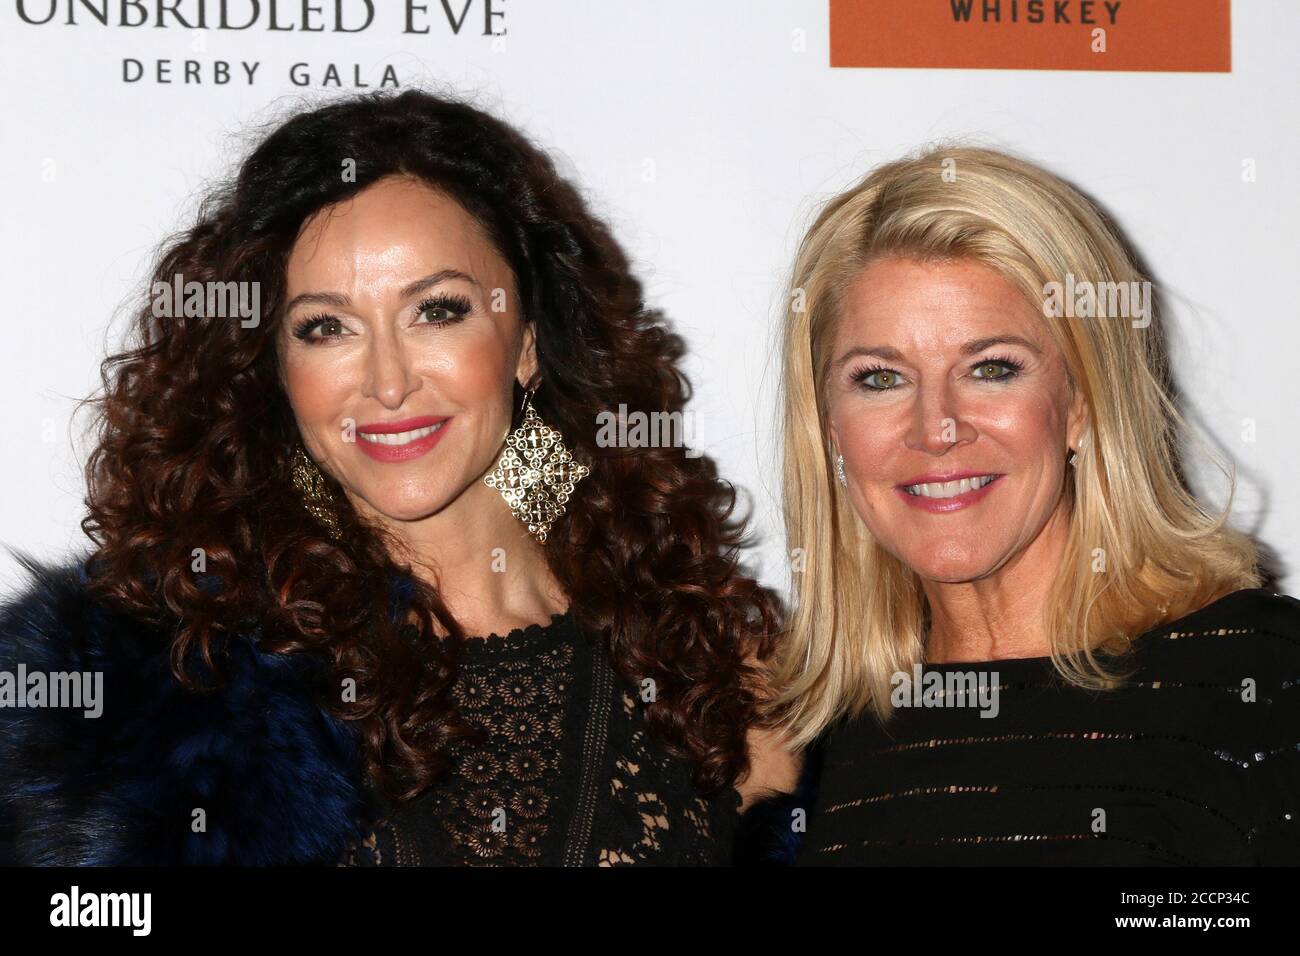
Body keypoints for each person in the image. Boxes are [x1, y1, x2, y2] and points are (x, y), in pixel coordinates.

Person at [0, 88, 797, 866]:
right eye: (326, 327)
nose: (387, 382)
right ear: (274, 366)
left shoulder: (710, 662)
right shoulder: (157, 676)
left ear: (525, 340)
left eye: (438, 310)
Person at [770, 145, 1300, 865]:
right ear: (829, 424)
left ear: (1082, 400)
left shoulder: (1261, 683)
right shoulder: (819, 740)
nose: (937, 428)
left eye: (991, 369)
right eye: (880, 378)